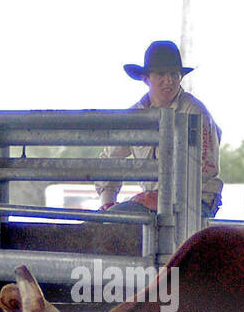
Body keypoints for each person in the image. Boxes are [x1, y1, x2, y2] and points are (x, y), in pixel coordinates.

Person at [95, 41, 224, 219]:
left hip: (196, 200)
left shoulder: (194, 112)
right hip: (150, 204)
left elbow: (204, 170)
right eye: (161, 74)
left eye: (174, 74)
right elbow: (110, 160)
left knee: (115, 221)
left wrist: (161, 198)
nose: (168, 80)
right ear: (146, 78)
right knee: (109, 220)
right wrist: (107, 200)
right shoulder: (134, 116)